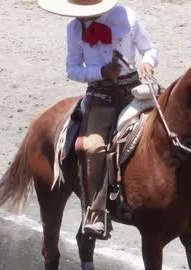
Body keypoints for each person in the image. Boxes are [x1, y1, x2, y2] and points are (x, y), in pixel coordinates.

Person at [38, 0, 159, 238]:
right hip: (100, 93)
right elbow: (72, 69)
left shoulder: (127, 16)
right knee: (92, 146)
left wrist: (147, 63)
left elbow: (150, 49)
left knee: (170, 124)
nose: (83, 17)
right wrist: (100, 72)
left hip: (133, 88)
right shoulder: (73, 29)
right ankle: (96, 212)